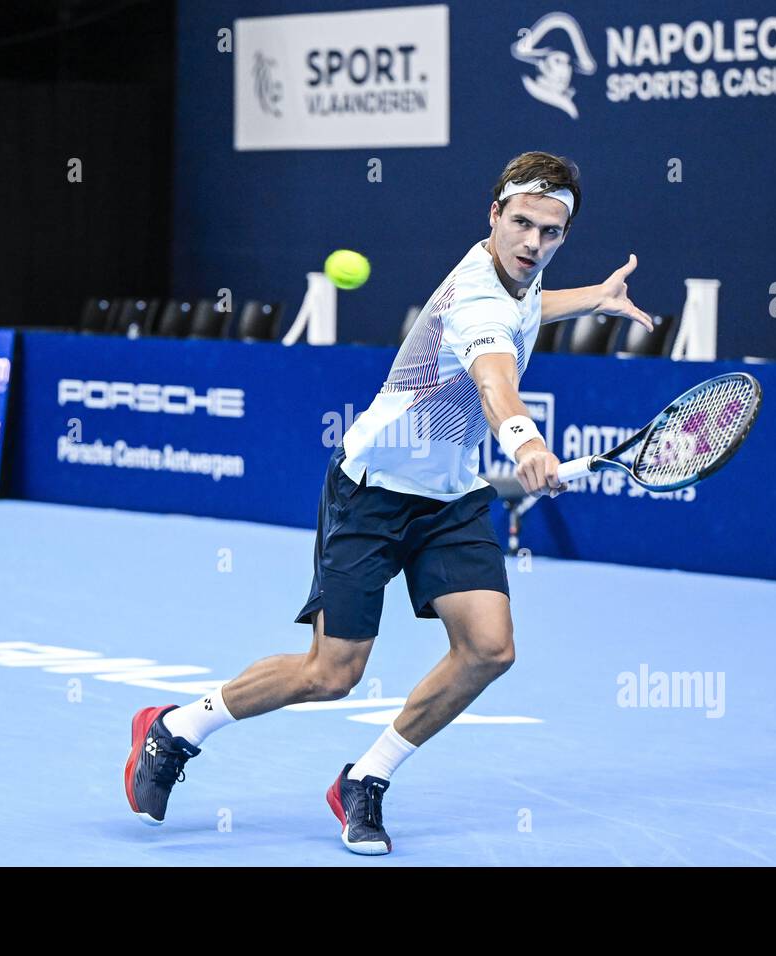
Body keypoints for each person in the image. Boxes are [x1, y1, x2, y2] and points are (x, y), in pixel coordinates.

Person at [124, 150, 653, 855]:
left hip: (448, 494)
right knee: (331, 673)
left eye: (551, 232)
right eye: (521, 224)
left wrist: (590, 296)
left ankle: (365, 780)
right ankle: (177, 728)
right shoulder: (476, 299)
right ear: (493, 214)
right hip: (371, 490)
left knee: (489, 649)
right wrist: (527, 446)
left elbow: (526, 309)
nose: (533, 243)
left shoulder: (516, 277)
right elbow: (497, 385)